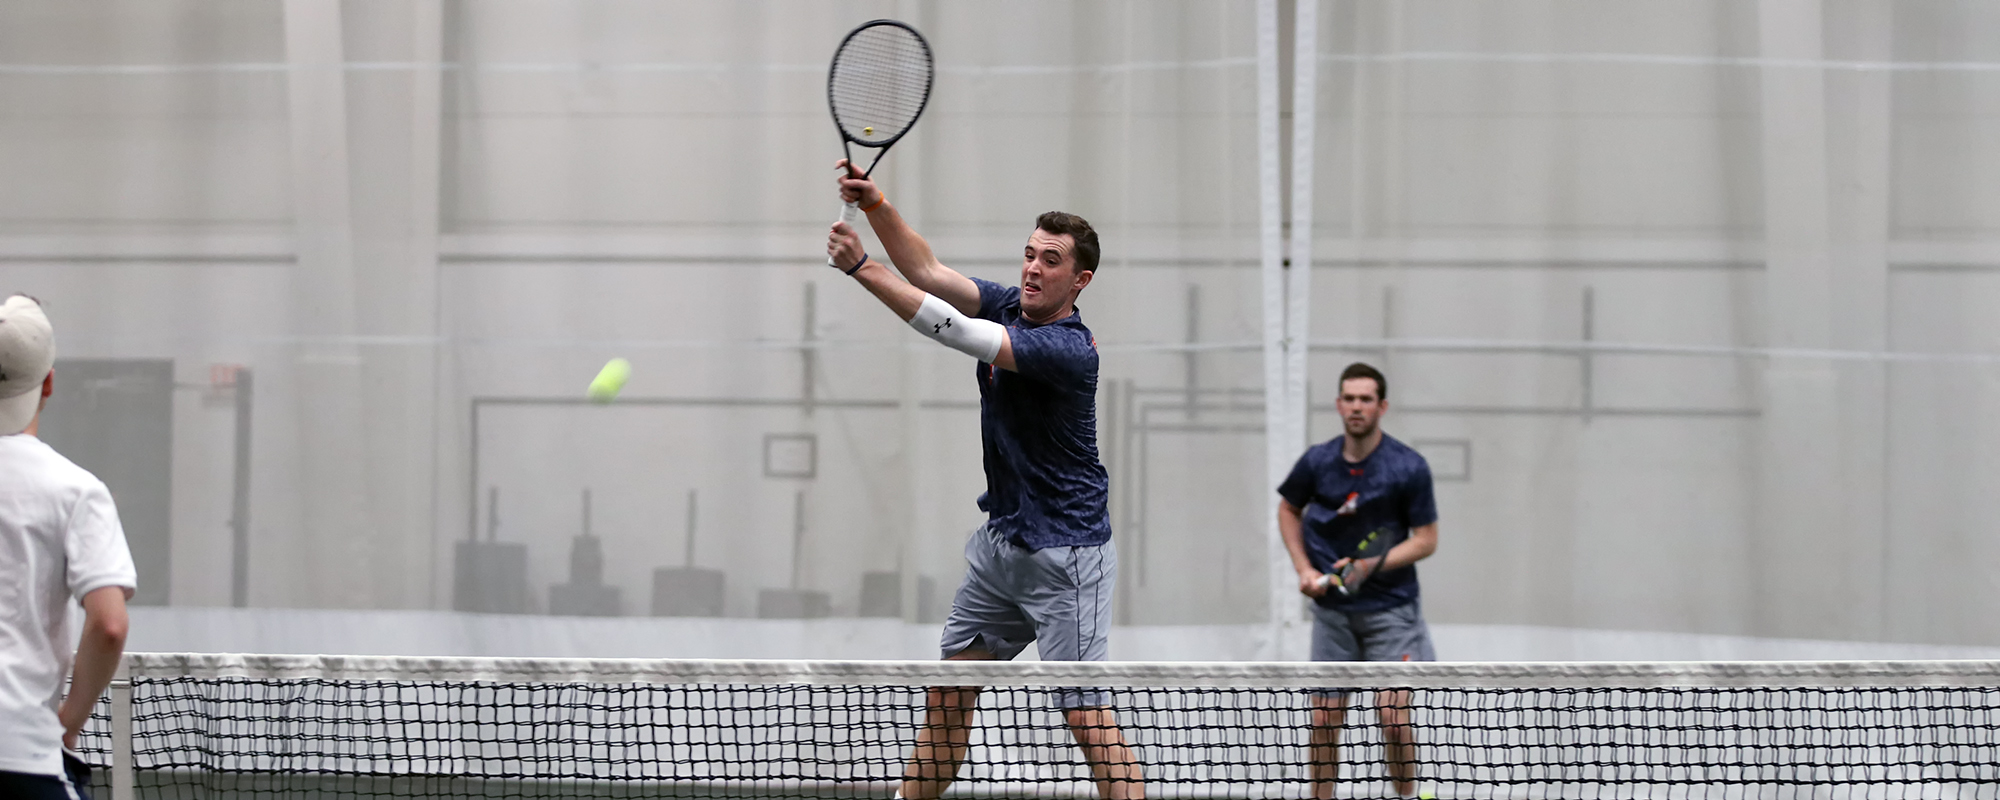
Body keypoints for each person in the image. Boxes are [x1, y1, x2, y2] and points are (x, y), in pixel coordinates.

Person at [825, 161, 1143, 800]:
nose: (1033, 269)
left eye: (1050, 260)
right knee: (949, 692)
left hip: (1067, 558)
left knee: (1084, 716)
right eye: (1029, 254)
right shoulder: (1010, 306)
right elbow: (928, 272)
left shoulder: (1068, 350)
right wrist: (877, 203)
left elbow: (958, 331)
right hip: (1003, 549)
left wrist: (863, 268)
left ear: (1079, 280)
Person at [1276, 362, 1438, 800]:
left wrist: (1370, 565)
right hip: (1334, 615)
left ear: (1381, 407)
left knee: (1394, 721)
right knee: (1324, 721)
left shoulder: (1408, 467)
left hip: (1393, 613)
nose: (1356, 407)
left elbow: (1426, 540)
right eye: (1349, 398)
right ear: (1338, 404)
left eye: (1366, 399)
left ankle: (1406, 797)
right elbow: (1288, 509)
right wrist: (1304, 569)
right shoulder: (1317, 461)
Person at [0, 294, 136, 800]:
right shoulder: (76, 491)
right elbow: (109, 624)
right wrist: (69, 723)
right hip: (23, 758)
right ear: (48, 383)